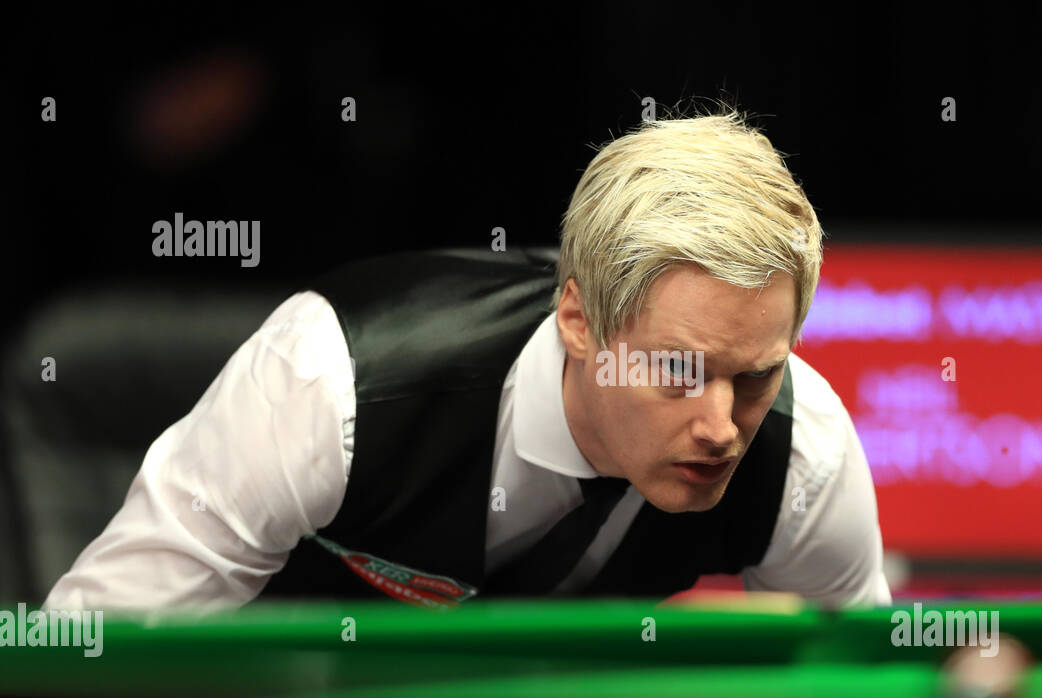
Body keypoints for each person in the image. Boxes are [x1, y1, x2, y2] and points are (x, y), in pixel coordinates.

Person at [43, 107, 892, 613]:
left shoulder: (802, 452)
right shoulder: (330, 380)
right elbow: (94, 653)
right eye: (675, 370)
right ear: (580, 321)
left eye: (755, 375)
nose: (722, 427)